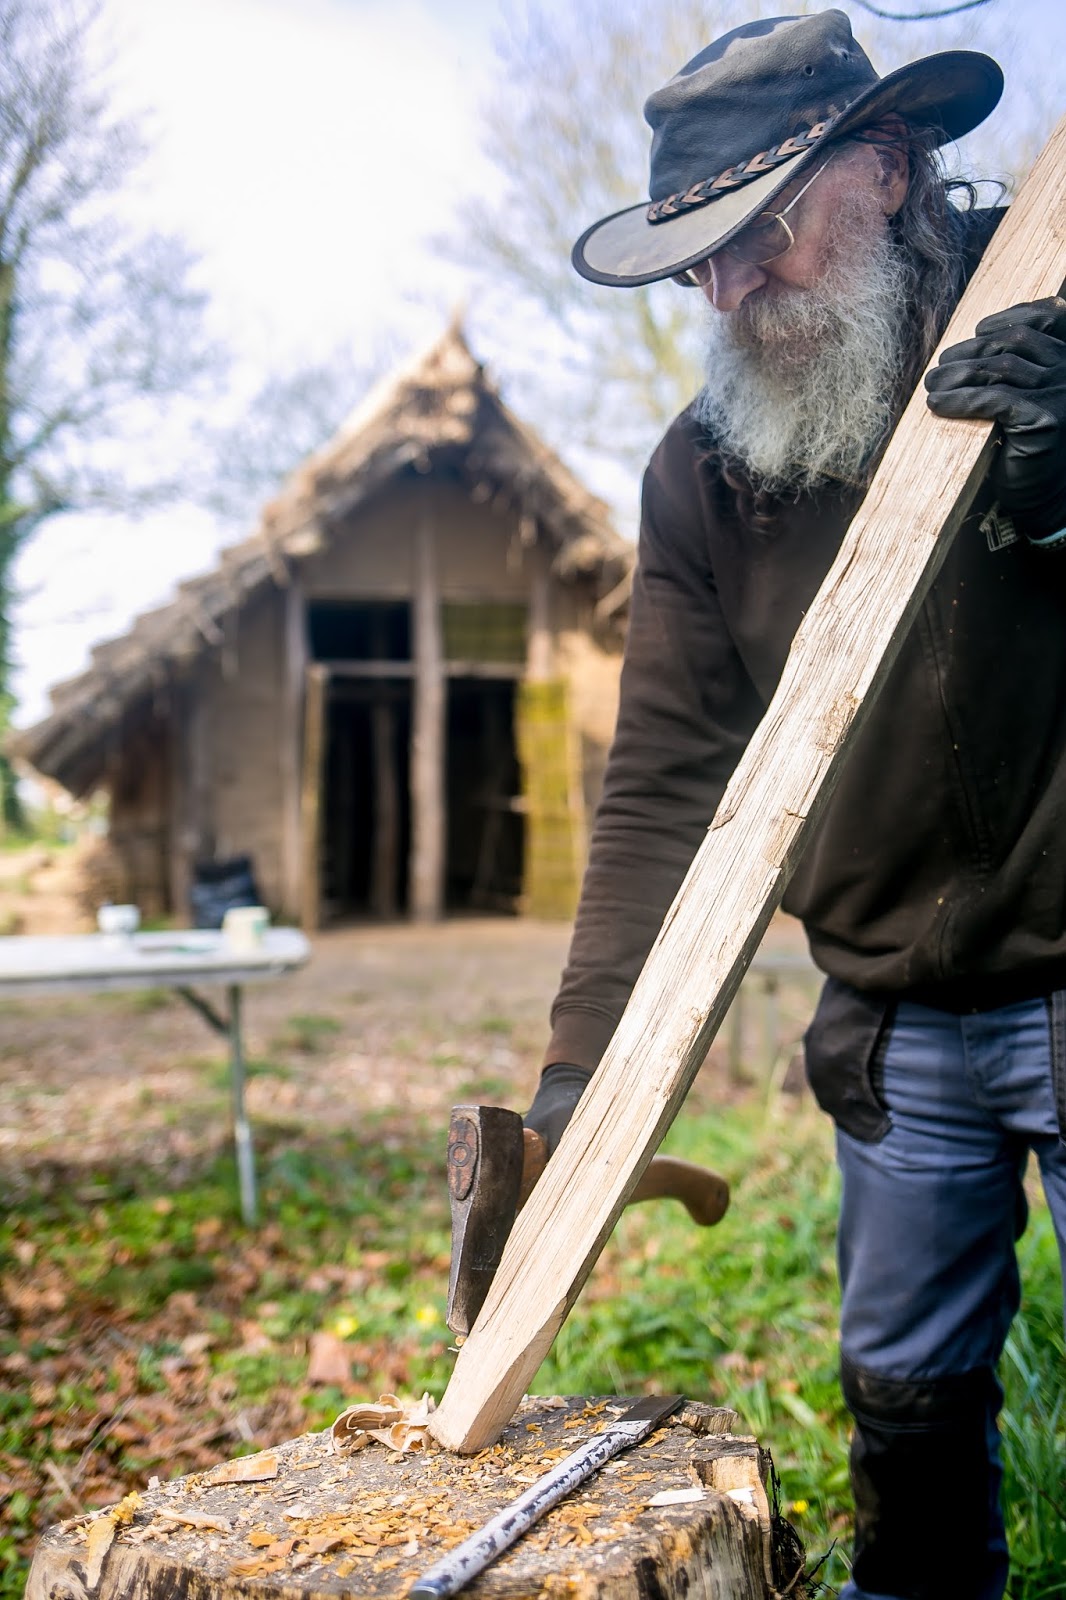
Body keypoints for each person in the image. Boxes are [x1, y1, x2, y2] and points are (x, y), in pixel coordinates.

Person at [521, 12, 1066, 1600]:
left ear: (884, 172)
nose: (728, 290)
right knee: (901, 1401)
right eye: (697, 261)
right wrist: (582, 1080)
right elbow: (663, 783)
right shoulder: (704, 470)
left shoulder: (1053, 321)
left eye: (756, 236)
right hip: (894, 1015)